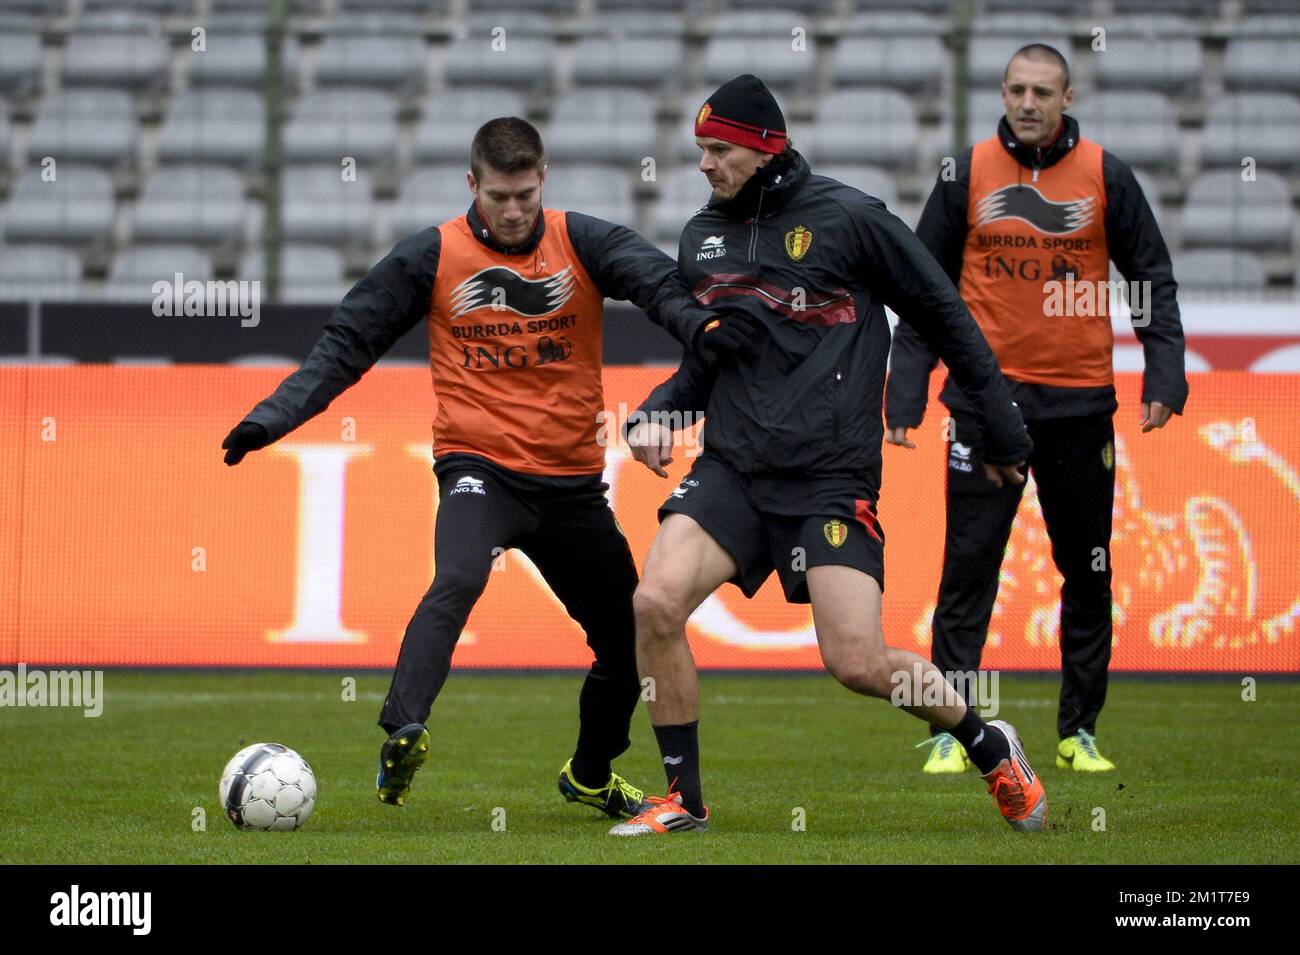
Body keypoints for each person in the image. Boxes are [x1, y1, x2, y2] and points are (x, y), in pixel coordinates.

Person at [221, 117, 739, 818]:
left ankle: (589, 773)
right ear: (473, 186)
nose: (515, 209)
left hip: (572, 486)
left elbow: (659, 286)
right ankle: (402, 729)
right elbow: (346, 344)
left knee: (627, 638)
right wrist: (272, 418)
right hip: (479, 469)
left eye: (525, 193)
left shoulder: (581, 240)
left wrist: (702, 327)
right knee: (461, 573)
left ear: (542, 181)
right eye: (500, 195)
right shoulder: (431, 256)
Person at [612, 74, 1048, 837]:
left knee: (857, 662)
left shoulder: (852, 220)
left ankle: (990, 744)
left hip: (829, 481)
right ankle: (683, 799)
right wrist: (658, 413)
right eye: (699, 150)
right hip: (733, 472)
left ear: (764, 149)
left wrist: (1006, 431)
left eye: (718, 150)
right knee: (653, 602)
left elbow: (946, 317)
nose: (704, 165)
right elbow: (706, 360)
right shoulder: (699, 239)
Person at [885, 45, 1187, 774]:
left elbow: (1152, 276)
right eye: (1018, 89)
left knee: (1086, 572)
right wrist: (906, 387)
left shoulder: (1108, 175)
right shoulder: (965, 173)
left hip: (1080, 405)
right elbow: (922, 287)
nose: (1028, 102)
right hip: (987, 406)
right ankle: (954, 729)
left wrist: (1164, 376)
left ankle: (1078, 731)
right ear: (1003, 91)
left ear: (1067, 97)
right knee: (967, 571)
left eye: (1043, 92)